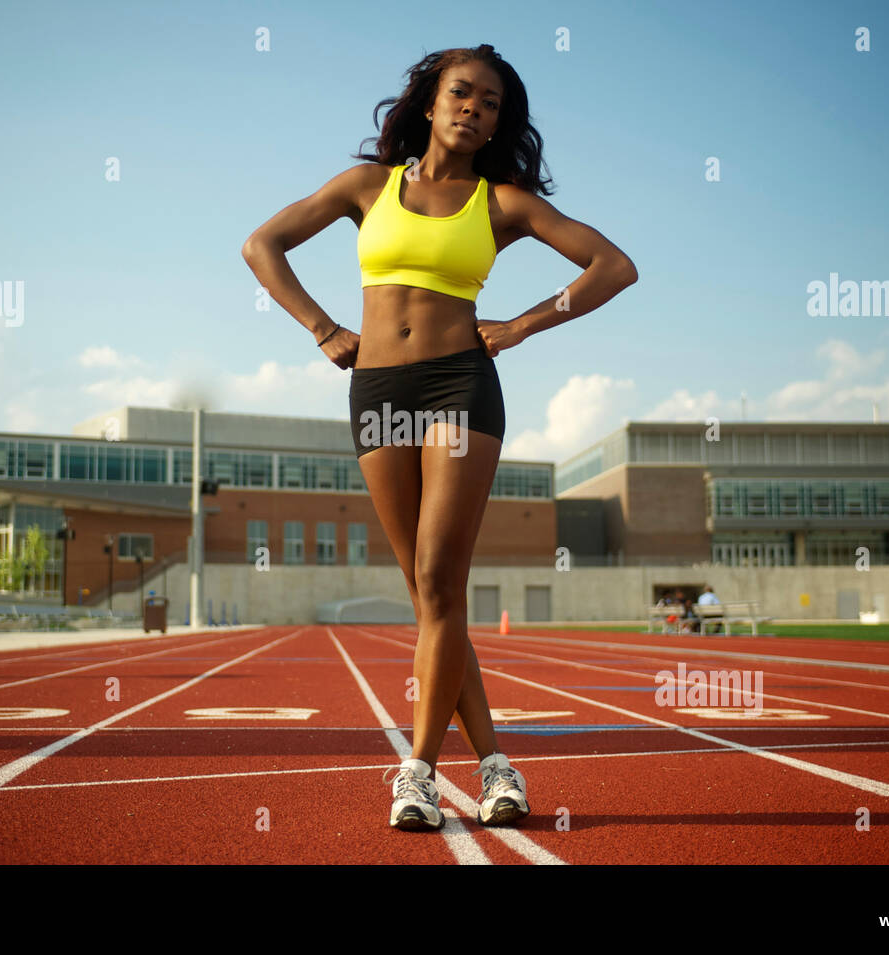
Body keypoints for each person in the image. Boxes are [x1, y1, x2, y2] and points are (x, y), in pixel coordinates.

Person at [242, 44, 637, 831]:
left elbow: (611, 266)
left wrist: (521, 325)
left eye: (490, 104)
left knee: (438, 572)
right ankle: (497, 766)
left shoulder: (503, 204)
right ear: (429, 101)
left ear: (498, 124)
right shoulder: (367, 186)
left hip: (460, 387)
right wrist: (323, 328)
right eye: (462, 93)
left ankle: (416, 771)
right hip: (380, 390)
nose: (474, 109)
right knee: (432, 597)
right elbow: (263, 245)